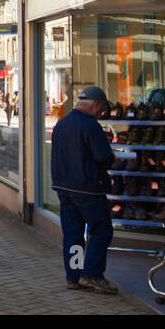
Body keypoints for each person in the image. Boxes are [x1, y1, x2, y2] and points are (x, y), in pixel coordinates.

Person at [52, 86, 118, 294]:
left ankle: (74, 276)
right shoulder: (91, 126)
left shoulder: (61, 124)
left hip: (64, 188)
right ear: (97, 105)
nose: (102, 113)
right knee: (101, 230)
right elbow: (104, 157)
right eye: (103, 109)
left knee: (73, 234)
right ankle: (91, 274)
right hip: (88, 189)